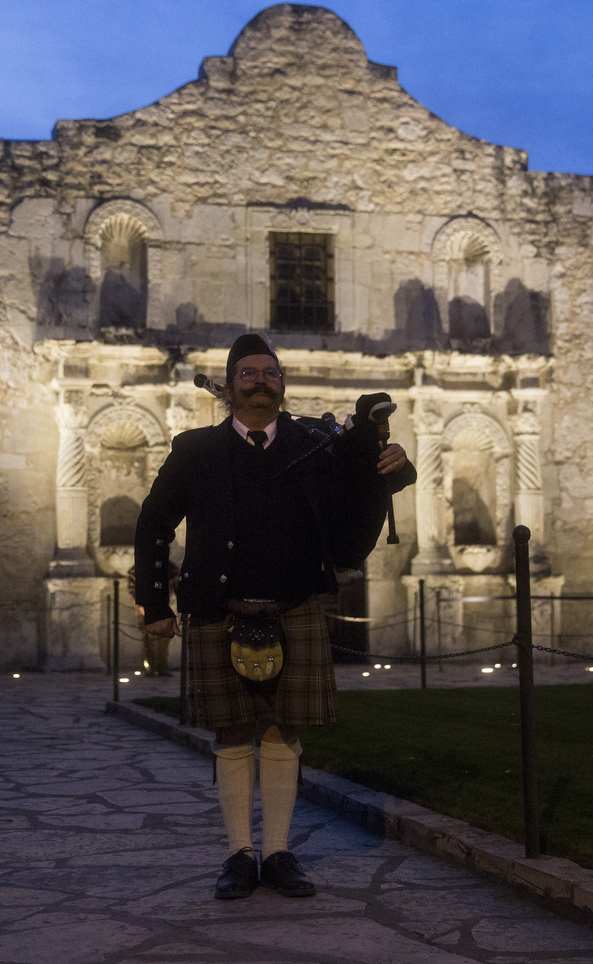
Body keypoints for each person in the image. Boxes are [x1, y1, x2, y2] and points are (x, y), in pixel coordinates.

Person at [134, 334, 415, 900]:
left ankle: (280, 853)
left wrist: (394, 466)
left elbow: (359, 489)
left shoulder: (314, 443)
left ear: (281, 383)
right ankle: (240, 855)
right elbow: (153, 523)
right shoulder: (195, 450)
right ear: (231, 385)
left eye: (270, 372)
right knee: (233, 732)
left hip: (295, 604)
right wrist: (156, 603)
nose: (260, 380)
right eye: (248, 373)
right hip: (219, 609)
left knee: (282, 733)